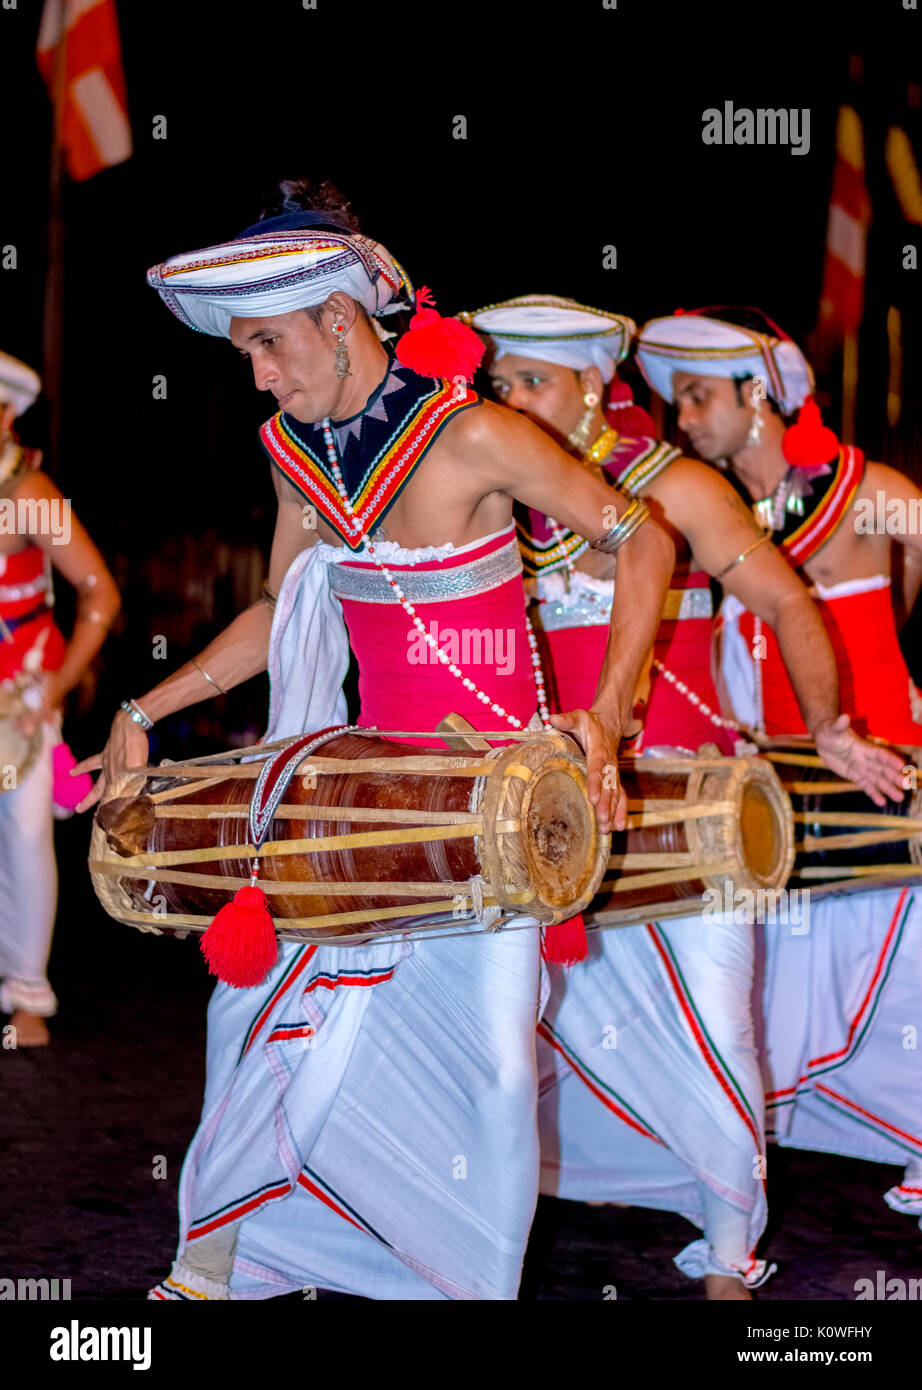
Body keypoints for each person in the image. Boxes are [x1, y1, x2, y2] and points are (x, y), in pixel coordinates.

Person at [76, 182, 674, 1300]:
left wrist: (602, 714)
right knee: (262, 1015)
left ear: (339, 321)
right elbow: (281, 611)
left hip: (501, 809)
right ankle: (228, 1260)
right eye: (246, 351)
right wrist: (145, 706)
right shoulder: (293, 454)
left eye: (268, 345)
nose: (257, 373)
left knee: (497, 1072)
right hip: (363, 796)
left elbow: (642, 539)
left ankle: (462, 1283)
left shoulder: (474, 433)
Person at [465, 294, 907, 1297]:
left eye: (532, 381)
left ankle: (727, 1244)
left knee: (718, 1025)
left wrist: (831, 725)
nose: (514, 403)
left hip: (693, 814)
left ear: (591, 385)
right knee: (544, 1021)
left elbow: (791, 599)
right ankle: (594, 1177)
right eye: (502, 385)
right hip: (563, 822)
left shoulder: (679, 492)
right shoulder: (501, 498)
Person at [635, 307, 922, 1232]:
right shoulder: (714, 516)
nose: (683, 419)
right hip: (772, 778)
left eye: (698, 396)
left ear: (759, 395)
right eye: (676, 399)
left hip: (878, 775)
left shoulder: (873, 492)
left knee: (900, 977)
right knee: (783, 977)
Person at [0, 350, 120, 1045]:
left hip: (19, 696)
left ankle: (27, 997)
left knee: (20, 833)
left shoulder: (29, 495)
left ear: (8, 413)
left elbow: (100, 592)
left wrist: (58, 683)